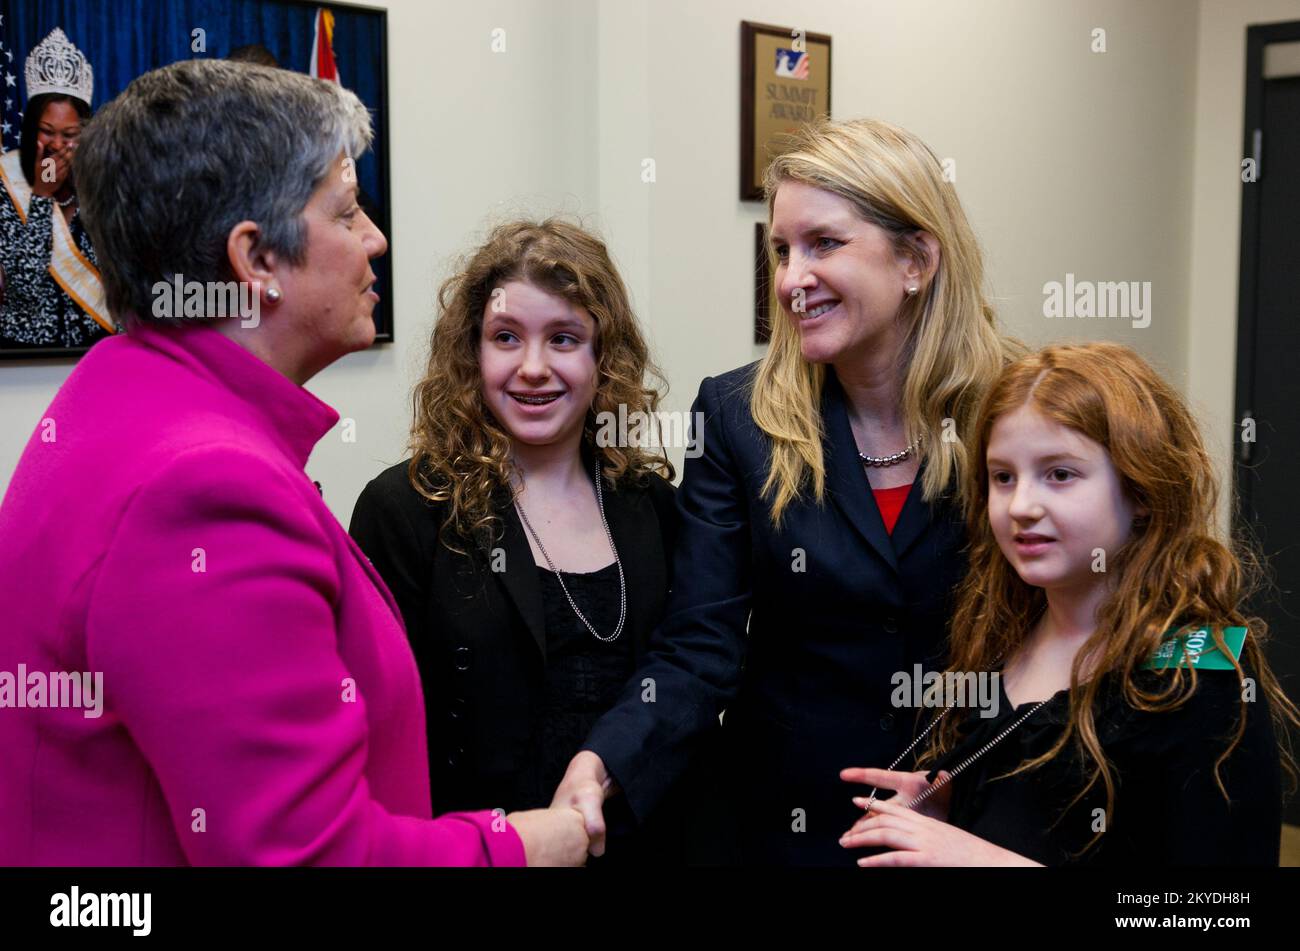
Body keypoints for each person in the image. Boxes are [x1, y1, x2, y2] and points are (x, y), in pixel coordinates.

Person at [0, 59, 586, 866]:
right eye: (346, 213)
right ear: (256, 262)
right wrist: (518, 845)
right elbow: (307, 857)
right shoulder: (204, 489)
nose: (375, 237)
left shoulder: (118, 389)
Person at [552, 118, 1022, 865]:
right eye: (780, 250)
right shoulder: (739, 418)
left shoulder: (1017, 406)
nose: (789, 279)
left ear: (916, 258)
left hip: (978, 817)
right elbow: (700, 642)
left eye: (823, 244)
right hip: (791, 823)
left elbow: (1078, 625)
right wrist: (603, 760)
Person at [840, 342, 1300, 865]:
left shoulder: (1197, 672)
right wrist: (956, 809)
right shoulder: (1001, 637)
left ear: (1142, 488)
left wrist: (982, 859)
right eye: (1003, 477)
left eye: (1060, 474)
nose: (1022, 507)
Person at [350, 219, 714, 863]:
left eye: (565, 339)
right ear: (472, 353)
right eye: (506, 338)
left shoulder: (652, 506)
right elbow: (381, 733)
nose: (534, 368)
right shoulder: (405, 510)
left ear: (605, 359)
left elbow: (684, 681)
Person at [0, 27, 113, 349]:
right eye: (47, 132)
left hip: (95, 349)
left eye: (70, 135)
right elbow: (23, 289)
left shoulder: (101, 184)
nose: (57, 146)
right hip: (27, 356)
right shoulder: (6, 184)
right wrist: (40, 196)